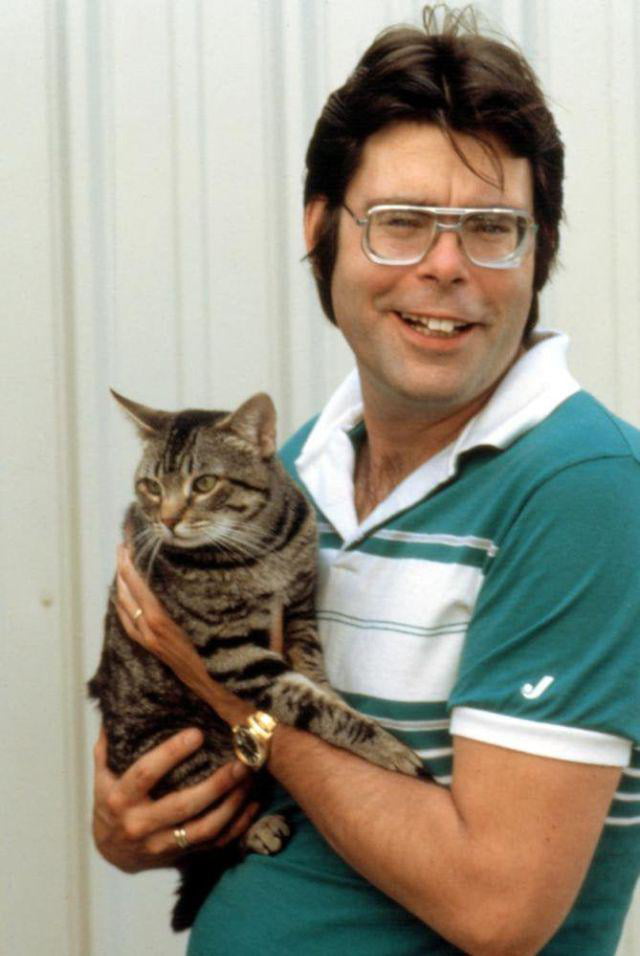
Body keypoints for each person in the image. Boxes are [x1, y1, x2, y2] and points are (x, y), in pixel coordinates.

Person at [94, 6, 640, 954]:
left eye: (491, 228)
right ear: (321, 232)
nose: (444, 266)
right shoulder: (294, 469)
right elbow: (255, 793)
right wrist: (138, 826)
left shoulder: (585, 490)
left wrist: (237, 704)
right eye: (400, 224)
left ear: (538, 250)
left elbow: (498, 910)